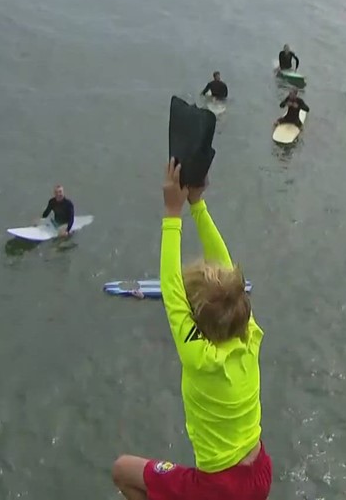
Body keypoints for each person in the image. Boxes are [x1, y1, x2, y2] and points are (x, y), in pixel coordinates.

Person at [112, 160, 271, 500]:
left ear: (196, 319)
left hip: (219, 489)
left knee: (123, 470)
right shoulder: (250, 336)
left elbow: (171, 290)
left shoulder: (200, 356)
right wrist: (197, 205)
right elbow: (226, 272)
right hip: (259, 473)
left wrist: (173, 213)